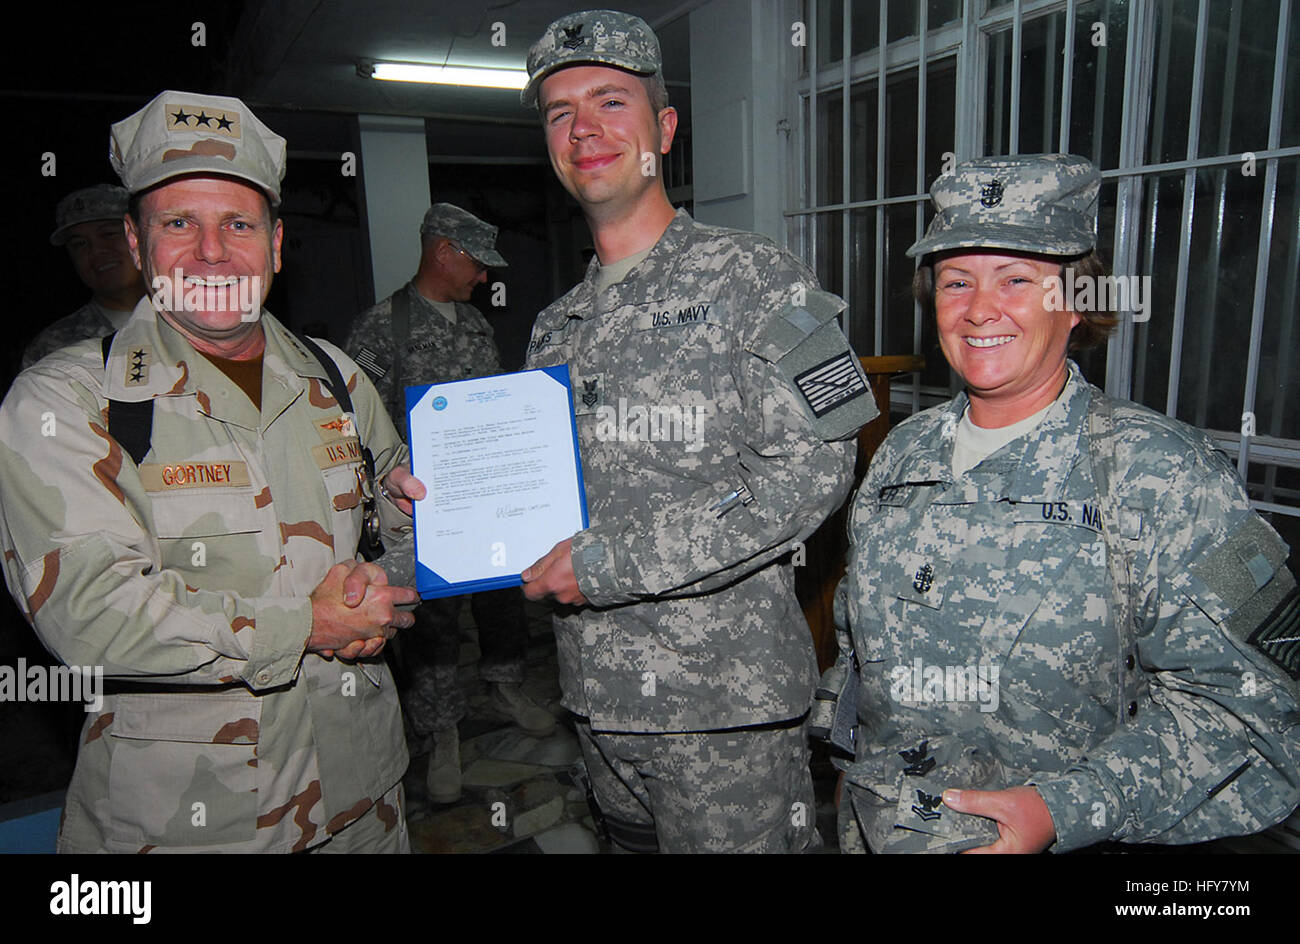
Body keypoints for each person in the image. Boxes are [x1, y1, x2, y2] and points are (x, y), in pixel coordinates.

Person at [824, 153, 1300, 853]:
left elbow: (1254, 706)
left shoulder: (1166, 473)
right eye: (957, 281)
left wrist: (1067, 807)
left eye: (1016, 279)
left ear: (1075, 301)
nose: (979, 309)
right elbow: (855, 644)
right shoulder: (903, 452)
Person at [0, 89, 428, 853]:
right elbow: (91, 614)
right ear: (137, 244)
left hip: (364, 799)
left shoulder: (335, 376)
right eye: (178, 224)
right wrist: (311, 625)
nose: (210, 251)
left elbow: (387, 537)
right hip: (193, 822)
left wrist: (405, 528)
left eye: (238, 223)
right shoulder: (68, 400)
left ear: (276, 243)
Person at [518, 10, 877, 852]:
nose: (585, 129)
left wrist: (610, 562)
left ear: (665, 129)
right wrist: (440, 507)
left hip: (723, 718)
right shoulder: (554, 326)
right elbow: (540, 496)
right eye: (561, 112)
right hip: (596, 702)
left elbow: (820, 465)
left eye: (611, 101)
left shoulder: (761, 279)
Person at [346, 203, 554, 805]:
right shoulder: (380, 328)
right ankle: (441, 729)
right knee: (434, 620)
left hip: (489, 495)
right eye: (477, 263)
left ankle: (505, 684)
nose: (485, 278)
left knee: (503, 597)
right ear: (444, 251)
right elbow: (361, 425)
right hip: (424, 506)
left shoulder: (474, 325)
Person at [24, 184, 147, 369]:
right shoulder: (53, 346)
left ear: (138, 235)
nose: (96, 251)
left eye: (109, 234)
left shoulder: (191, 318)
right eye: (80, 244)